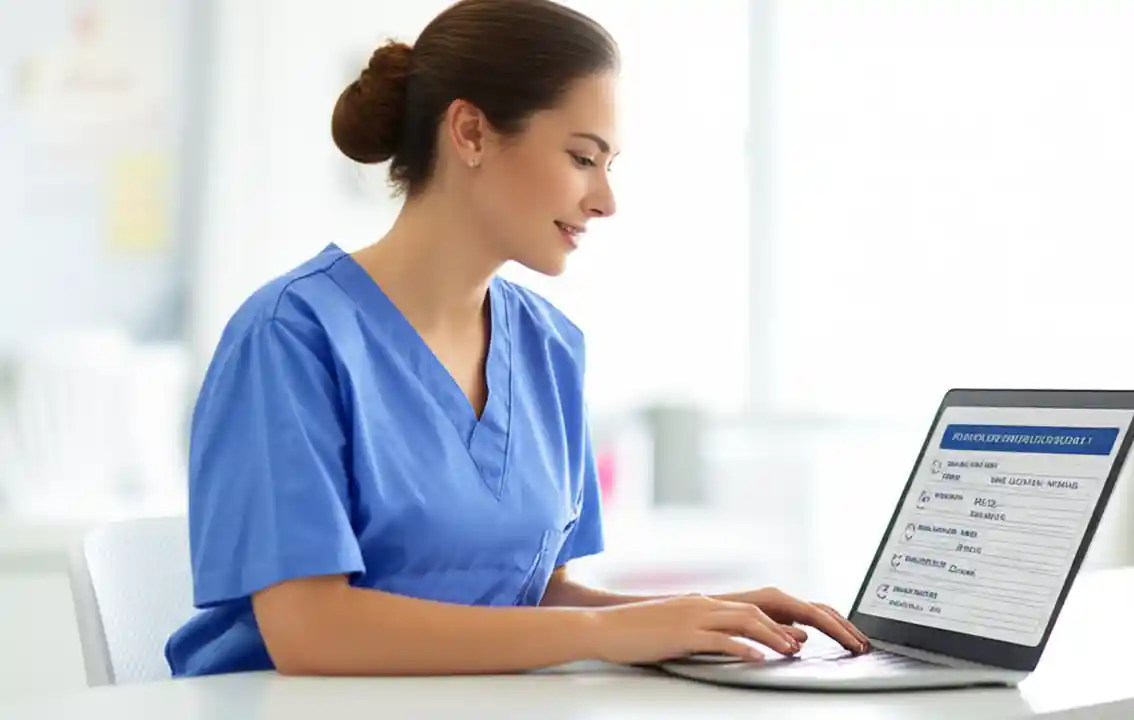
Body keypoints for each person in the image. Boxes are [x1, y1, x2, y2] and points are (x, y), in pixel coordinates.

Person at [165, 0, 869, 677]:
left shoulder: (549, 347)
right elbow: (310, 631)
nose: (606, 199)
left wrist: (700, 614)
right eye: (582, 157)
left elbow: (533, 605)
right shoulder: (292, 336)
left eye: (610, 165)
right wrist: (609, 632)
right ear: (469, 132)